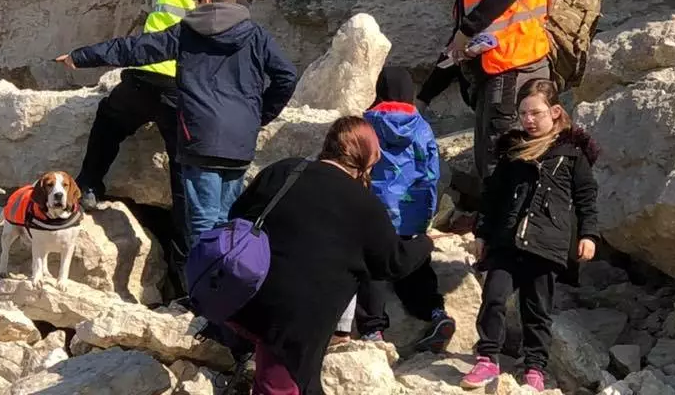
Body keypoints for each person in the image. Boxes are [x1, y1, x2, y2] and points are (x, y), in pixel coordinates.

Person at [57, 0, 297, 258]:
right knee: (229, 222)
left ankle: (200, 293)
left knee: (202, 223)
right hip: (240, 141)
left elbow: (135, 49)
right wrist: (259, 116)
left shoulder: (190, 32)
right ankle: (227, 288)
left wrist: (80, 57)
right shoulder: (257, 35)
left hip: (200, 137)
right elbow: (287, 77)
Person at [228, 116, 434, 395]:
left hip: (241, 292)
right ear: (366, 157)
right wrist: (424, 243)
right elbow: (392, 263)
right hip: (293, 321)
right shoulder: (362, 203)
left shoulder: (286, 170)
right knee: (283, 385)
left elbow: (237, 214)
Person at [460, 79, 599, 392]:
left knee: (537, 310)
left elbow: (586, 197)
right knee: (494, 296)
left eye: (535, 112)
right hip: (506, 240)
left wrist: (589, 234)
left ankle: (535, 367)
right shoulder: (513, 150)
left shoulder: (572, 154)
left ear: (555, 111)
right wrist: (482, 232)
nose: (528, 120)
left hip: (546, 243)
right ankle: (487, 359)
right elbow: (493, 194)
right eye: (523, 113)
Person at [418, 0, 551, 182]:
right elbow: (458, 46)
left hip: (513, 67)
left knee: (501, 160)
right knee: (491, 160)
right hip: (501, 71)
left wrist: (467, 29)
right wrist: (424, 97)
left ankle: (508, 225)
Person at [352, 66, 455, 352]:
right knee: (415, 262)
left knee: (372, 268)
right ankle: (434, 313)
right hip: (412, 211)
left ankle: (373, 330)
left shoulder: (366, 124)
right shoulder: (421, 126)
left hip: (375, 210)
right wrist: (428, 209)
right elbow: (432, 171)